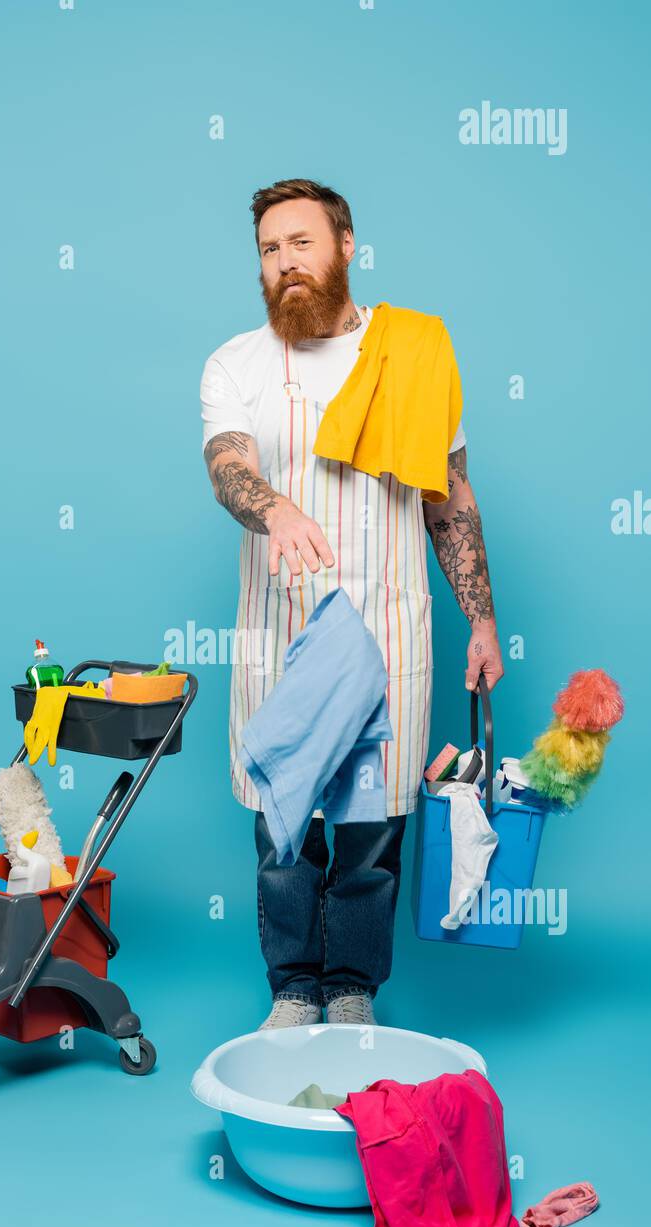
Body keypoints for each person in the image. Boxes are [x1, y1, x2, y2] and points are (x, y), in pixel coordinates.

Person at [199, 178, 505, 1030]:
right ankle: (294, 988)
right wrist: (277, 509)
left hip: (389, 628)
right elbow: (228, 468)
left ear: (345, 246)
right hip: (281, 631)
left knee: (369, 835)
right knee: (283, 826)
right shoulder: (236, 364)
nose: (285, 262)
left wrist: (481, 618)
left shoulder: (413, 351)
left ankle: (351, 988)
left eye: (301, 242)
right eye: (269, 249)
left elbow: (448, 496)